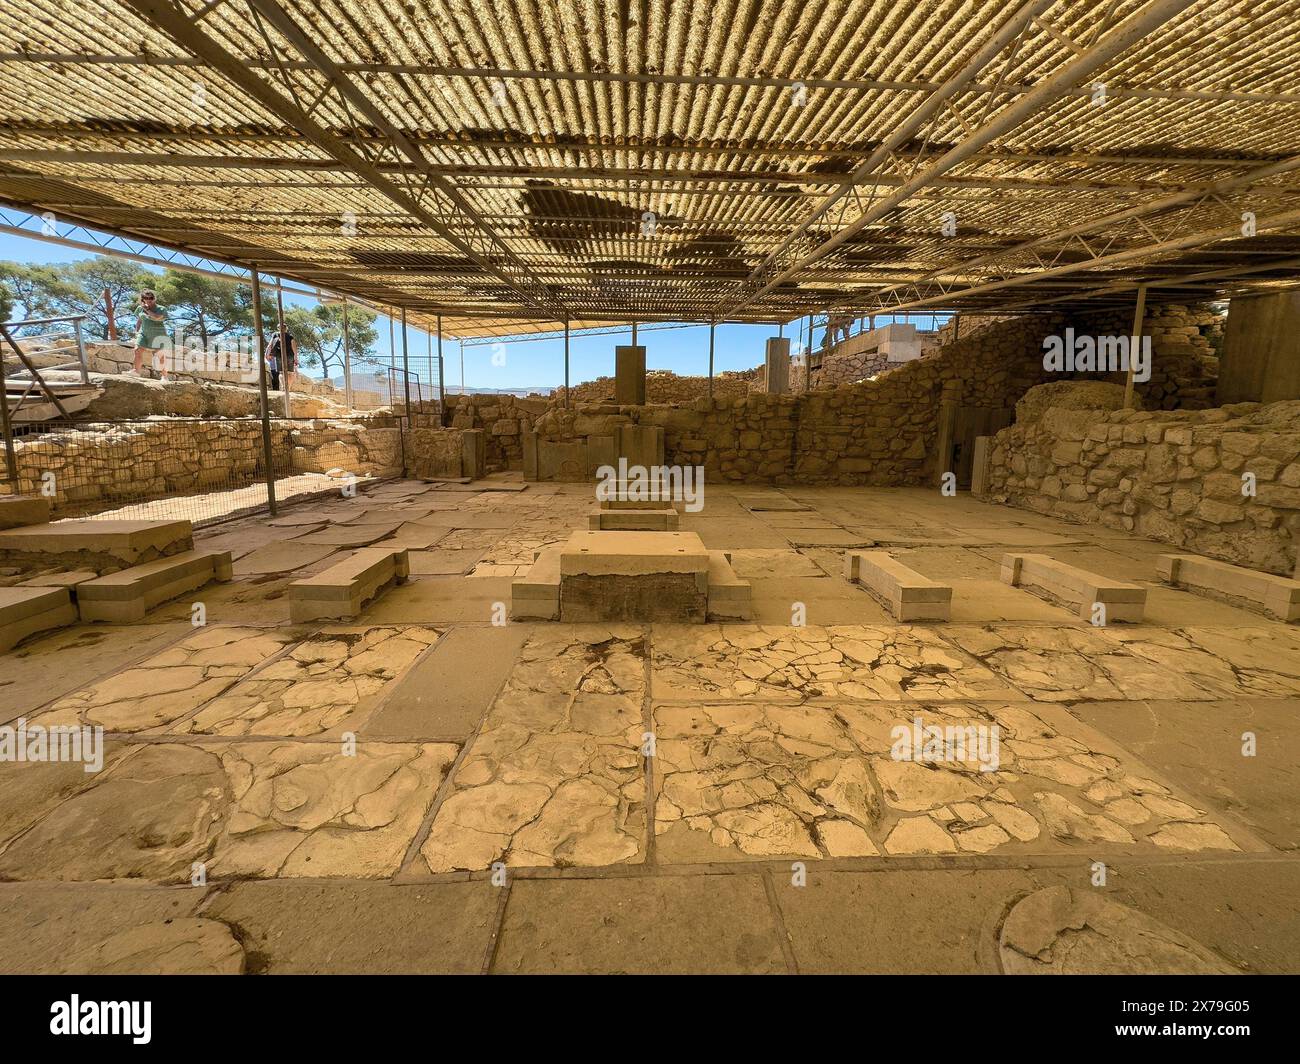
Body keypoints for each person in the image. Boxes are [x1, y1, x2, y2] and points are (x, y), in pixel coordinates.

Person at [130, 289, 170, 381]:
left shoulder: (161, 309)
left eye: (150, 298)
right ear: (142, 299)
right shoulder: (140, 308)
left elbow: (157, 317)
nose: (148, 300)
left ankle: (164, 376)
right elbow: (139, 320)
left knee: (160, 355)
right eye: (145, 298)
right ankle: (136, 371)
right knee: (137, 350)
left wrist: (147, 309)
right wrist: (137, 332)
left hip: (158, 334)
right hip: (144, 333)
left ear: (154, 298)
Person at [265, 327, 298, 391]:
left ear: (278, 328)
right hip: (290, 355)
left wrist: (267, 353)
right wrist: (296, 356)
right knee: (290, 373)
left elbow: (270, 345)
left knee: (281, 372)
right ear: (286, 329)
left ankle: (283, 387)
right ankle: (288, 387)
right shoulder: (290, 336)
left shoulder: (275, 334)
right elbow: (294, 346)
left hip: (279, 355)